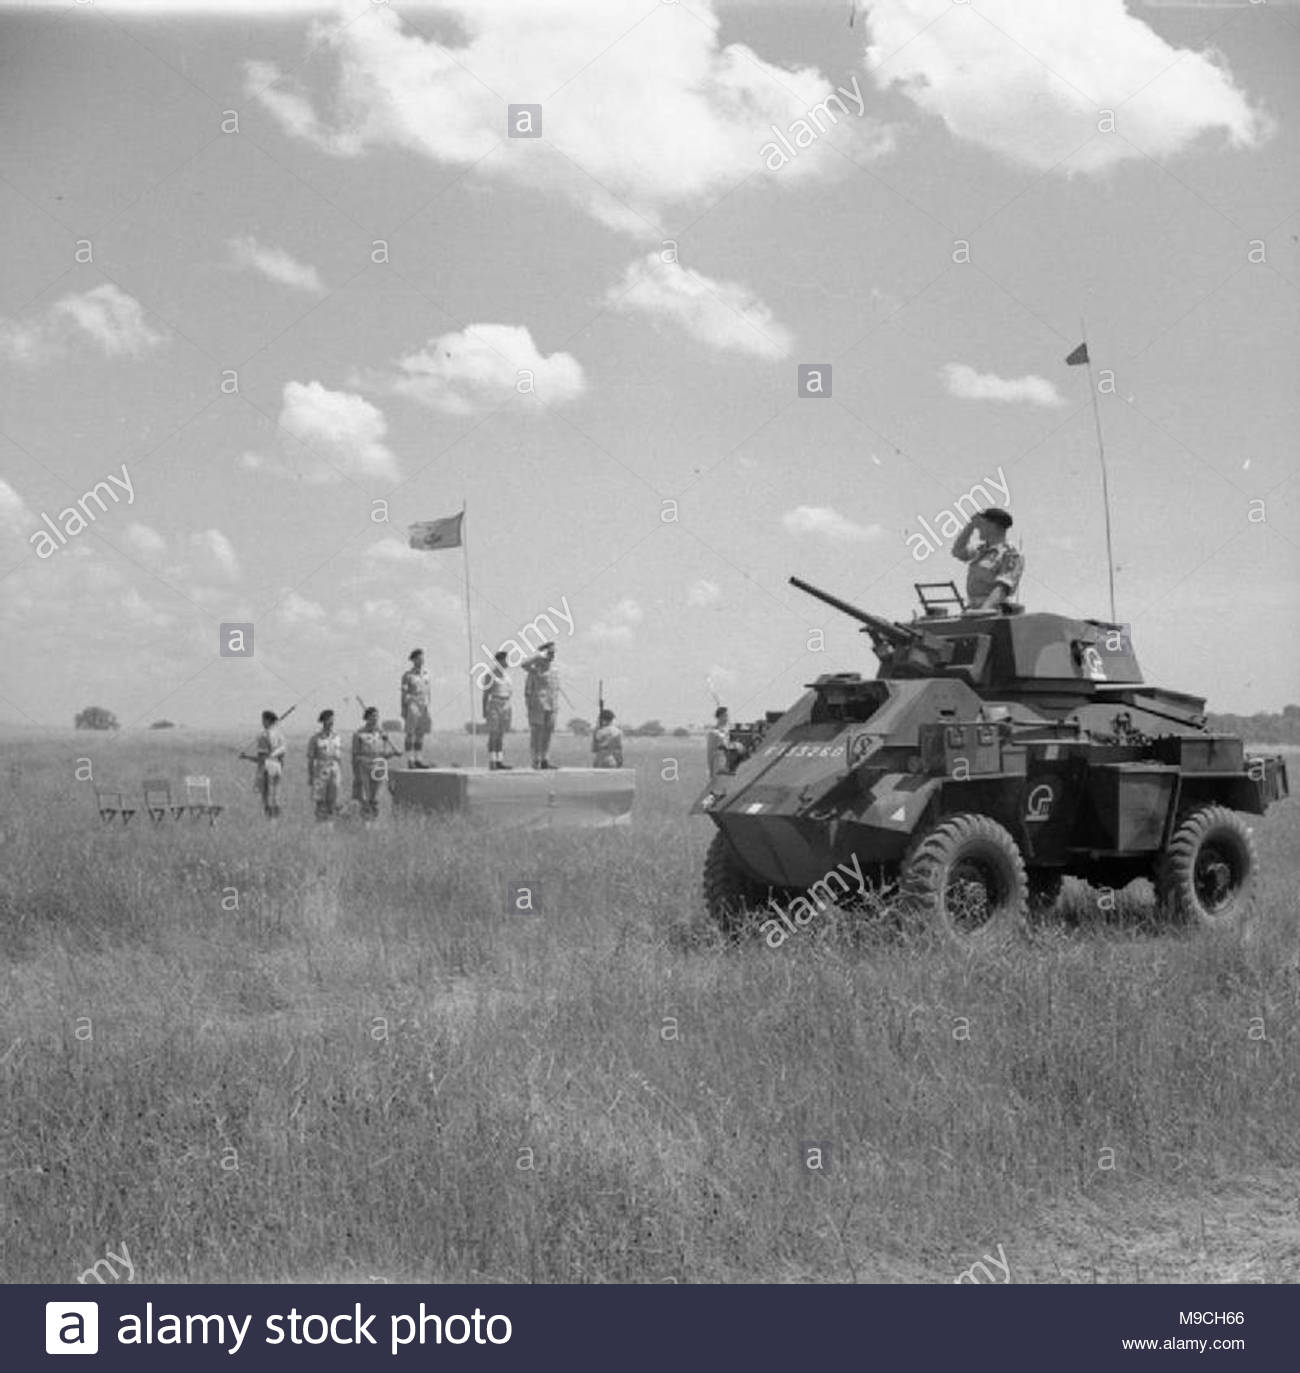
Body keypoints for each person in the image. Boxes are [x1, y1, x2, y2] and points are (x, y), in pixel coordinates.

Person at [951, 507, 1024, 612]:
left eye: (981, 525)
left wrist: (983, 611)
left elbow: (1002, 588)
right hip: (973, 609)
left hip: (994, 612)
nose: (978, 528)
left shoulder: (1010, 554)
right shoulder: (981, 550)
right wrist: (970, 526)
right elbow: (957, 551)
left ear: (993, 526)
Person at [351, 706, 399, 821]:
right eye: (373, 716)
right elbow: (355, 755)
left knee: (375, 798)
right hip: (365, 766)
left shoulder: (381, 735)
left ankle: (374, 821)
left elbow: (385, 754)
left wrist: (394, 752)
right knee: (366, 797)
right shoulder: (358, 734)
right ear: (367, 718)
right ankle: (366, 822)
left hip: (379, 766)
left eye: (377, 717)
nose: (375, 719)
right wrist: (356, 774)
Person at [521, 641, 561, 769]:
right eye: (550, 652)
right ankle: (535, 759)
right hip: (538, 704)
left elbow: (555, 688)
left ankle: (545, 759)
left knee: (548, 732)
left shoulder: (554, 669)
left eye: (553, 652)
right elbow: (523, 664)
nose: (552, 655)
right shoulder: (535, 668)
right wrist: (538, 656)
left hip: (551, 705)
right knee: (537, 733)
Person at [240, 709, 286, 818]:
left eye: (263, 720)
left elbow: (262, 759)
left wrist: (246, 757)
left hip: (267, 768)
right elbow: (282, 756)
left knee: (267, 797)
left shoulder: (264, 736)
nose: (262, 723)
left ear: (267, 720)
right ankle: (276, 820)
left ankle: (270, 821)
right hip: (278, 767)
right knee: (276, 796)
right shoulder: (280, 735)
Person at [307, 708, 343, 822]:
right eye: (329, 720)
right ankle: (320, 824)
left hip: (335, 769)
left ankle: (330, 825)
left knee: (333, 799)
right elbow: (311, 759)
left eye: (333, 719)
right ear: (323, 721)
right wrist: (311, 776)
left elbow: (339, 756)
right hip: (321, 770)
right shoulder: (315, 738)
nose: (331, 722)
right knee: (320, 799)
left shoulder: (337, 737)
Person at [482, 650, 514, 771]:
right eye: (505, 659)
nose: (507, 662)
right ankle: (492, 760)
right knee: (494, 734)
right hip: (494, 702)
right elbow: (485, 694)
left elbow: (510, 692)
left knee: (501, 734)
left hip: (506, 704)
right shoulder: (490, 675)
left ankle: (499, 760)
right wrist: (484, 710)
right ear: (499, 661)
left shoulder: (507, 676)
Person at [401, 648, 433, 768]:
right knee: (410, 733)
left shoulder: (426, 674)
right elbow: (404, 693)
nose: (422, 659)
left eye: (423, 657)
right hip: (412, 704)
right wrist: (404, 709)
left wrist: (428, 705)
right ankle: (410, 759)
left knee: (421, 733)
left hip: (424, 705)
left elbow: (429, 691)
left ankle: (418, 758)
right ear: (414, 660)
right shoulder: (407, 675)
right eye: (419, 657)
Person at [706, 706, 731, 778]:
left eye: (727, 716)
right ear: (720, 717)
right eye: (725, 716)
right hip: (718, 767)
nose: (727, 719)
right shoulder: (713, 732)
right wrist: (711, 771)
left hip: (727, 766)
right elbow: (710, 753)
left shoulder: (727, 732)